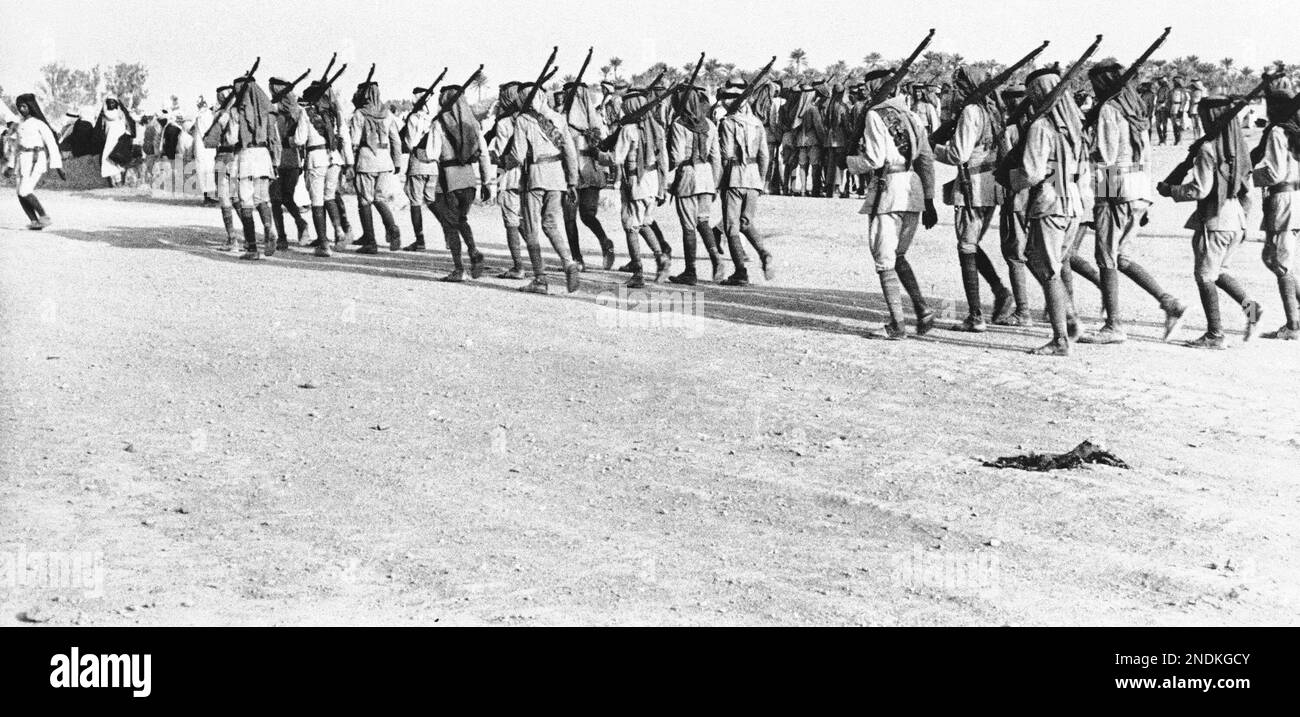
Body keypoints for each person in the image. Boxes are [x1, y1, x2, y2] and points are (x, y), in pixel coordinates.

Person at [1079, 61, 1187, 345]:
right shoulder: (1137, 108)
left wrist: (1083, 154)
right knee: (1121, 257)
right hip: (1139, 186)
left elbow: (1105, 155)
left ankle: (1113, 325)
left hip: (1114, 183)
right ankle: (1169, 303)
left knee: (1107, 256)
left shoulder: (1109, 110)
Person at [1157, 97, 1263, 348]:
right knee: (1220, 273)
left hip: (1215, 220)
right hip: (1236, 219)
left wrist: (1172, 190)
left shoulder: (1208, 149)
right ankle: (1252, 310)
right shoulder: (1238, 148)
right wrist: (1241, 220)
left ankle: (1215, 334)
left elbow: (1200, 190)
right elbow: (1247, 191)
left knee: (1205, 277)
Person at [846, 69, 938, 339]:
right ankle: (922, 309)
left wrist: (850, 163)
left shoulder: (875, 115)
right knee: (898, 256)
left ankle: (897, 324)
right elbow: (926, 160)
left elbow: (873, 160)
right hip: (913, 190)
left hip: (888, 190)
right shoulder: (911, 116)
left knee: (885, 259)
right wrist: (929, 201)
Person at [1010, 67, 1088, 356]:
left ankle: (1061, 336)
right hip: (1073, 201)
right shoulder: (1075, 125)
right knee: (1039, 259)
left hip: (1051, 202)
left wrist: (1010, 178)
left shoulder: (1041, 126)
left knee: (1048, 269)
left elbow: (1032, 173)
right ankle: (1067, 319)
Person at [934, 65, 1014, 331]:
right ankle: (999, 292)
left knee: (966, 246)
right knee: (971, 243)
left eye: (959, 85)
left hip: (972, 186)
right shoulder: (992, 110)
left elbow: (958, 155)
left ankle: (977, 315)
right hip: (990, 185)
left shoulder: (971, 112)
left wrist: (931, 148)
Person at [506, 82, 583, 294]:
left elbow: (518, 155)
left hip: (535, 177)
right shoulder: (558, 118)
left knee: (531, 228)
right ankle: (568, 262)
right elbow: (570, 153)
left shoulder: (523, 120)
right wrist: (572, 181)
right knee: (551, 224)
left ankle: (540, 279)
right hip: (557, 177)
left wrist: (504, 162)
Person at [1250, 77, 1300, 340]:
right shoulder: (1292, 131)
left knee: (1280, 263)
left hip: (1283, 200)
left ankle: (1293, 326)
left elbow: (1275, 172)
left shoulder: (1279, 133)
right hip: (1291, 201)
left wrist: (1248, 176)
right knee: (1272, 258)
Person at [430, 84, 493, 281]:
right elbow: (483, 154)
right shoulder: (473, 123)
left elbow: (432, 154)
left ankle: (459, 268)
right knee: (461, 220)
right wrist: (486, 182)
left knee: (450, 225)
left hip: (448, 179)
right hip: (468, 179)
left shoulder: (439, 123)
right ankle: (473, 250)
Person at [215, 76, 282, 260]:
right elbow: (275, 139)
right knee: (262, 199)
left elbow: (231, 139)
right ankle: (269, 228)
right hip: (264, 157)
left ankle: (252, 248)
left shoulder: (237, 112)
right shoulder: (268, 111)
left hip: (246, 157)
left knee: (246, 201)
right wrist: (275, 162)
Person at [716, 79, 774, 286]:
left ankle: (740, 271)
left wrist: (718, 181)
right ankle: (763, 252)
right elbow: (764, 156)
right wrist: (763, 180)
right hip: (753, 177)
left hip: (734, 176)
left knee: (731, 227)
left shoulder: (727, 122)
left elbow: (725, 155)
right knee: (745, 223)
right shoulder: (757, 123)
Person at [610, 90, 670, 288]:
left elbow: (616, 158)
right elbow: (663, 160)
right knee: (644, 222)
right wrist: (662, 186)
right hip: (652, 181)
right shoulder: (656, 128)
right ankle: (660, 257)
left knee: (631, 227)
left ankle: (638, 272)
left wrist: (598, 153)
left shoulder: (628, 130)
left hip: (636, 182)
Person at [667, 83, 725, 285]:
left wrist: (667, 178)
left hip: (688, 176)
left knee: (689, 227)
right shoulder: (710, 124)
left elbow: (676, 157)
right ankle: (716, 257)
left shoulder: (678, 125)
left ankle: (690, 270)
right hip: (707, 176)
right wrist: (715, 183)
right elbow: (716, 157)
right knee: (703, 221)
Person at [295, 79, 354, 257]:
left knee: (317, 201)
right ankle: (339, 231)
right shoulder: (336, 114)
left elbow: (299, 139)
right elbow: (345, 140)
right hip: (335, 158)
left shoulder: (306, 114)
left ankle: (323, 243)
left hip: (316, 158)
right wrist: (349, 162)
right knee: (330, 197)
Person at [561, 82, 617, 271]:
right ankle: (604, 240)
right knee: (588, 215)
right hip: (593, 172)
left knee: (570, 218)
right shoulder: (596, 122)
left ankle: (578, 259)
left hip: (573, 174)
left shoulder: (565, 123)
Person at [349, 77, 403, 254]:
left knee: (365, 200)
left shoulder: (359, 114)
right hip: (385, 160)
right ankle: (392, 228)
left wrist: (350, 163)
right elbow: (396, 140)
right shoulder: (388, 114)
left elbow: (354, 142)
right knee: (380, 198)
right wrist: (396, 162)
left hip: (366, 160)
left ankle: (371, 242)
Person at [995, 85, 1035, 325]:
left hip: (1017, 197)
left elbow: (1004, 166)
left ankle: (1023, 311)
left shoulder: (1009, 130)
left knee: (1014, 255)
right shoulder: (1046, 126)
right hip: (1044, 198)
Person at [486, 82, 528, 279]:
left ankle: (518, 266)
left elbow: (504, 156)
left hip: (512, 177)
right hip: (532, 177)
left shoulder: (504, 124)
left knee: (511, 221)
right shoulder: (532, 120)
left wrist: (490, 157)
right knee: (525, 222)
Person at [5, 94, 65, 229]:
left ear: (31, 107)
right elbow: (15, 146)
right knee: (19, 193)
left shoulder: (39, 124)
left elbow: (52, 144)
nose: (21, 109)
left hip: (35, 159)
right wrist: (10, 165)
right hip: (22, 160)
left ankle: (44, 216)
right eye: (19, 106)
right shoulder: (19, 124)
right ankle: (34, 221)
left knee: (24, 190)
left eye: (24, 106)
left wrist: (58, 166)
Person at [267, 77, 310, 249]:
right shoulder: (298, 111)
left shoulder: (272, 111)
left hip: (277, 158)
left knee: (276, 199)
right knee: (286, 197)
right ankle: (300, 223)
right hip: (293, 158)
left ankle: (283, 237)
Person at [94, 97, 135, 186]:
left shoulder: (119, 114)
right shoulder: (106, 115)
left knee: (114, 161)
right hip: (112, 141)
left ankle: (118, 182)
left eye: (113, 102)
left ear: (116, 103)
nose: (111, 104)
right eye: (109, 102)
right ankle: (116, 182)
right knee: (110, 161)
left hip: (117, 141)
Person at [191, 97, 218, 204]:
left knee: (203, 171)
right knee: (208, 170)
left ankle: (207, 196)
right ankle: (209, 197)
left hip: (201, 148)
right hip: (207, 148)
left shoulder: (200, 116)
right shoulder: (207, 115)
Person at [1166, 77, 1190, 145]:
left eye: (1175, 82)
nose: (1174, 83)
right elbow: (1169, 100)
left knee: (1179, 124)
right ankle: (1176, 139)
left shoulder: (1181, 91)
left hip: (1178, 107)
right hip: (1173, 108)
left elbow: (1183, 100)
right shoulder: (1172, 91)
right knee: (1174, 125)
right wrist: (1168, 108)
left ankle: (1180, 139)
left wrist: (1181, 108)